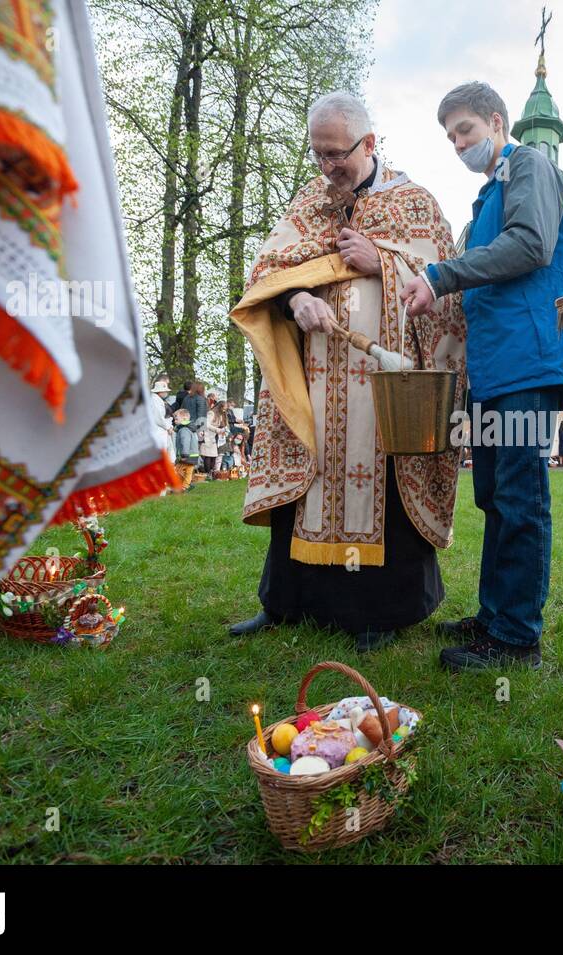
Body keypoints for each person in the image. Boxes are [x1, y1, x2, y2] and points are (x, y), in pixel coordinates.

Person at [229, 91, 467, 653]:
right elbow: (267, 272)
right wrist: (296, 300)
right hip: (311, 374)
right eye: (318, 156)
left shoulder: (415, 204)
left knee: (379, 475)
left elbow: (447, 295)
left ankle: (377, 612)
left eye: (337, 154)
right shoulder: (310, 200)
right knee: (307, 475)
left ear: (369, 144)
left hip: (384, 384)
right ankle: (285, 601)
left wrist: (381, 261)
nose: (327, 168)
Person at [401, 80, 563, 671]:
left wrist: (441, 276)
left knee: (520, 497)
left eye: (467, 131)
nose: (460, 145)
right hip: (492, 367)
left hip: (527, 360)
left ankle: (517, 639)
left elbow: (531, 245)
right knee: (493, 496)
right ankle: (493, 615)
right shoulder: (486, 198)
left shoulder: (529, 166)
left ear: (498, 122)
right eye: (452, 137)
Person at [174, 381, 208, 489]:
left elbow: (182, 411)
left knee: (184, 453)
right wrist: (201, 431)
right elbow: (201, 416)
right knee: (192, 456)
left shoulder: (186, 398)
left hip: (184, 425)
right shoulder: (201, 399)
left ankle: (185, 481)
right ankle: (189, 481)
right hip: (195, 429)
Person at [151, 379, 176, 466]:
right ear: (160, 391)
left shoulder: (158, 400)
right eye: (165, 391)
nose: (166, 393)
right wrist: (168, 427)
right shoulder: (155, 401)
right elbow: (159, 418)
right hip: (159, 430)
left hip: (162, 430)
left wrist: (169, 426)